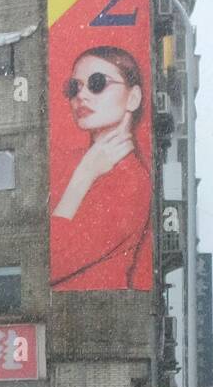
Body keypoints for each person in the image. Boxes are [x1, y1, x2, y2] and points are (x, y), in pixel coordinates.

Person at [51, 46, 153, 291]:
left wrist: (84, 175)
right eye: (74, 87)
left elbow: (50, 261)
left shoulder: (132, 182)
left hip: (96, 313)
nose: (81, 96)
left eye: (97, 83)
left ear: (133, 98)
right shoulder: (68, 164)